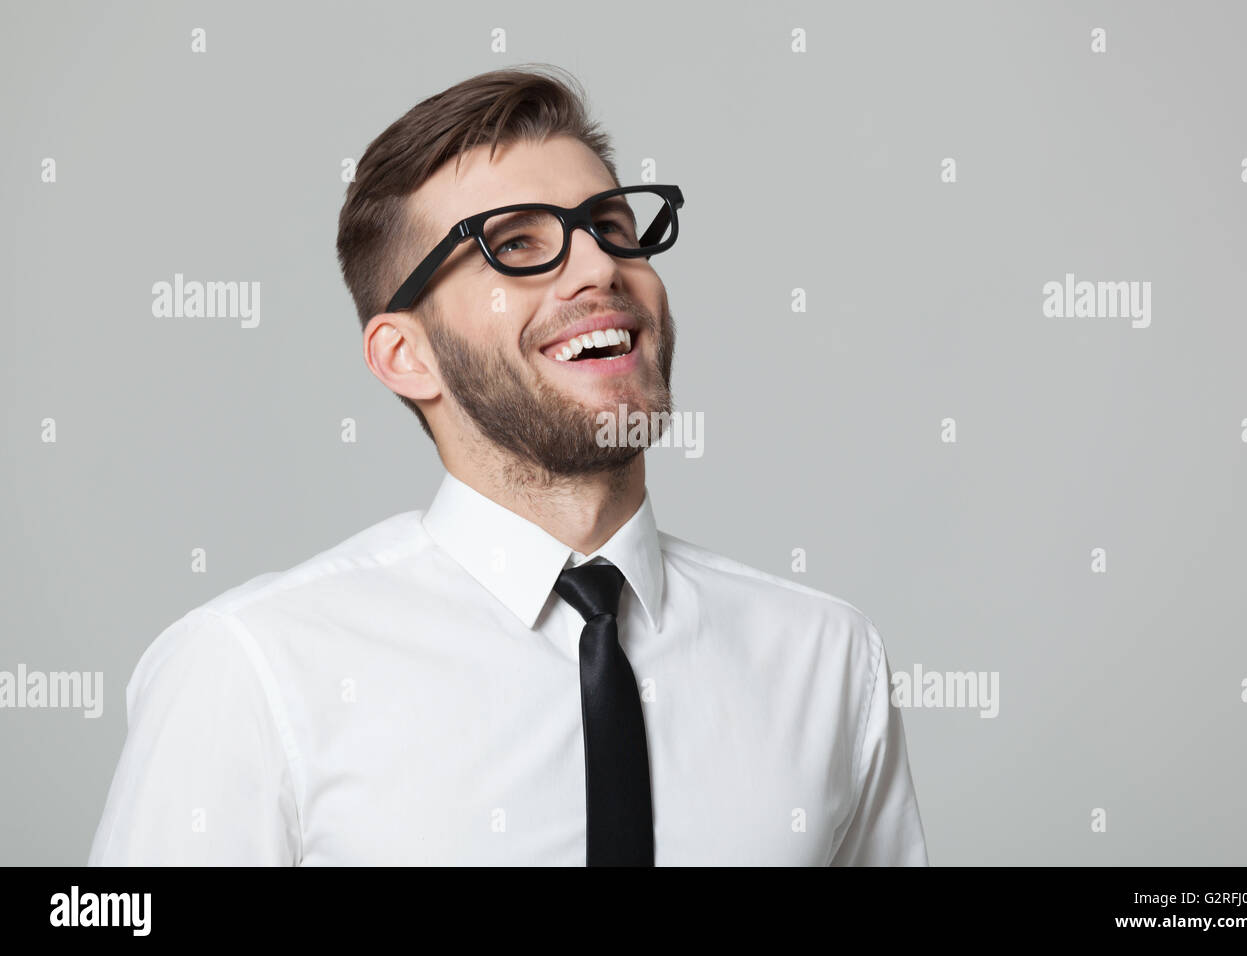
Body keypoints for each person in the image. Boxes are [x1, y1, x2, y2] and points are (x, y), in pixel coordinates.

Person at [87, 64, 928, 866]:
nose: (600, 267)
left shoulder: (826, 658)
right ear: (406, 356)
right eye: (517, 245)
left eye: (609, 227)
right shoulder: (253, 671)